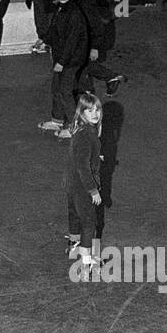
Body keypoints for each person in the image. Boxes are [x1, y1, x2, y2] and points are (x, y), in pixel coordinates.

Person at [39, 0, 90, 137]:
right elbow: (54, 29)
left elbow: (72, 41)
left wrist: (61, 62)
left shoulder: (74, 13)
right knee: (56, 88)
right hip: (62, 56)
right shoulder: (60, 9)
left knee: (64, 91)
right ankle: (57, 120)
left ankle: (76, 126)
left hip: (71, 59)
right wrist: (43, 39)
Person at [66, 0, 126, 96]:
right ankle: (110, 79)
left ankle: (88, 91)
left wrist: (94, 47)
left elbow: (95, 25)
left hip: (85, 40)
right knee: (81, 65)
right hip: (80, 39)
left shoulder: (83, 1)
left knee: (80, 65)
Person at [64, 93, 103, 267]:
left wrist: (96, 157)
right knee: (89, 221)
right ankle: (87, 260)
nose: (95, 114)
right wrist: (93, 190)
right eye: (90, 110)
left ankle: (74, 244)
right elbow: (83, 167)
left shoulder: (80, 130)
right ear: (82, 112)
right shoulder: (87, 134)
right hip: (82, 185)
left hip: (71, 183)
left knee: (74, 213)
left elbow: (80, 157)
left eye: (97, 109)